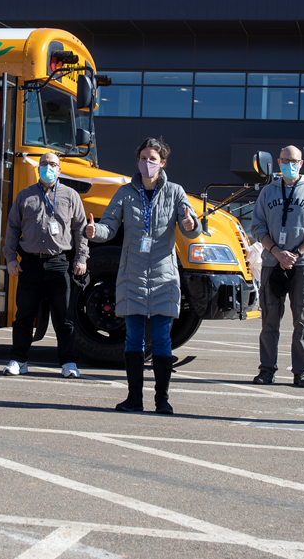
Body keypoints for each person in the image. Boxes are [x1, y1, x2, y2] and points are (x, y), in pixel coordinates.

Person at [85, 137, 201, 414]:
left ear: (162, 163)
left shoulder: (175, 192)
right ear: (137, 161)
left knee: (161, 339)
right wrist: (94, 232)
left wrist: (190, 223)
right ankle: (134, 399)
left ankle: (162, 400)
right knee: (133, 339)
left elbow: (192, 230)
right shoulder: (124, 193)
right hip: (132, 275)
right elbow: (109, 228)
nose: (147, 163)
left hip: (164, 277)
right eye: (143, 158)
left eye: (153, 159)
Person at [249, 145, 304, 388]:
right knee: (270, 320)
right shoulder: (267, 192)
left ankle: (301, 372)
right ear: (278, 161)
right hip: (273, 263)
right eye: (285, 160)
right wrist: (277, 252)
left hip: (303, 265)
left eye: (293, 161)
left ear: (301, 163)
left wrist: (294, 254)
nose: (289, 164)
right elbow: (258, 227)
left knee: (302, 320)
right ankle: (267, 370)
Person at [2, 151, 89, 378]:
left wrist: (81, 259)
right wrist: (10, 258)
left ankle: (68, 363)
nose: (48, 167)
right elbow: (12, 228)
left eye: (52, 164)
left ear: (60, 169)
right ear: (38, 168)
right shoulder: (25, 196)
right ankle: (18, 359)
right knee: (24, 315)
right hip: (30, 264)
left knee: (65, 317)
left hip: (60, 263)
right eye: (44, 164)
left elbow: (80, 230)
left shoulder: (71, 196)